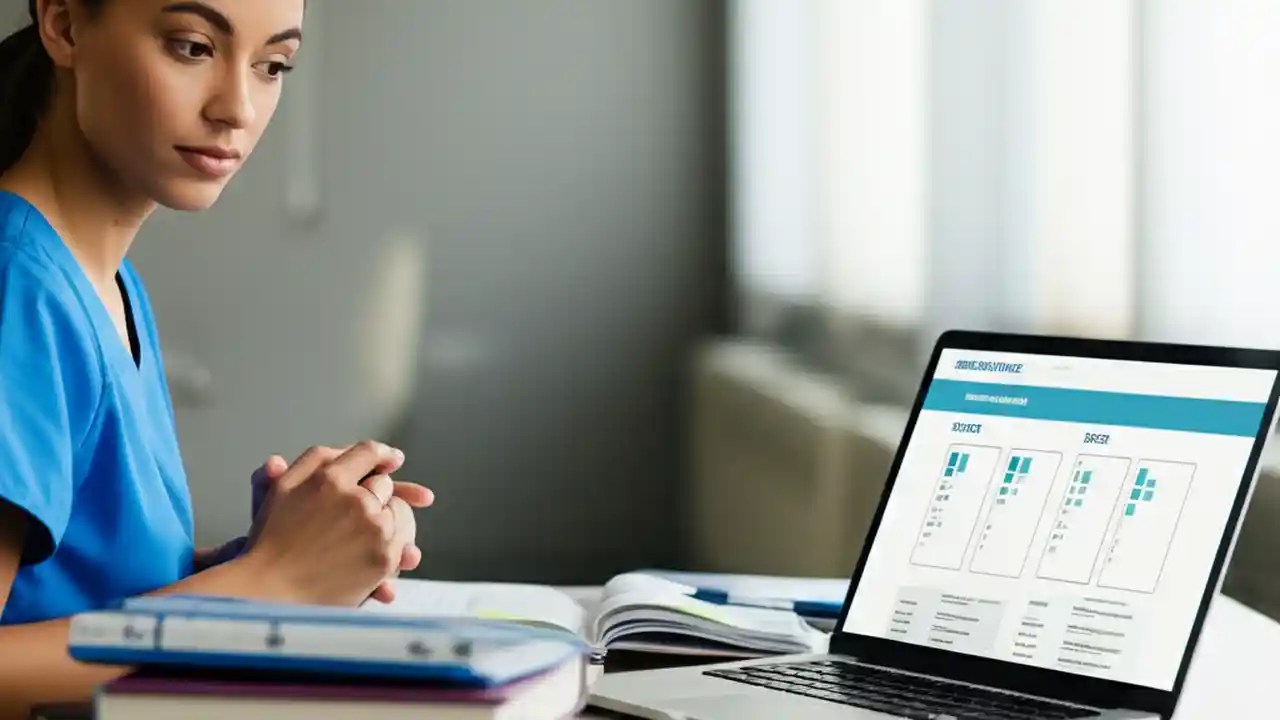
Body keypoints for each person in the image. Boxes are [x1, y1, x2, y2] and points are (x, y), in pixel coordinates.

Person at [0, 1, 433, 716]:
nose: (238, 108)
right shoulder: (20, 288)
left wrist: (292, 556)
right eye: (193, 47)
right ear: (66, 25)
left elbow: (77, 597)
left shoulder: (106, 283)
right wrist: (272, 583)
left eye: (272, 66)